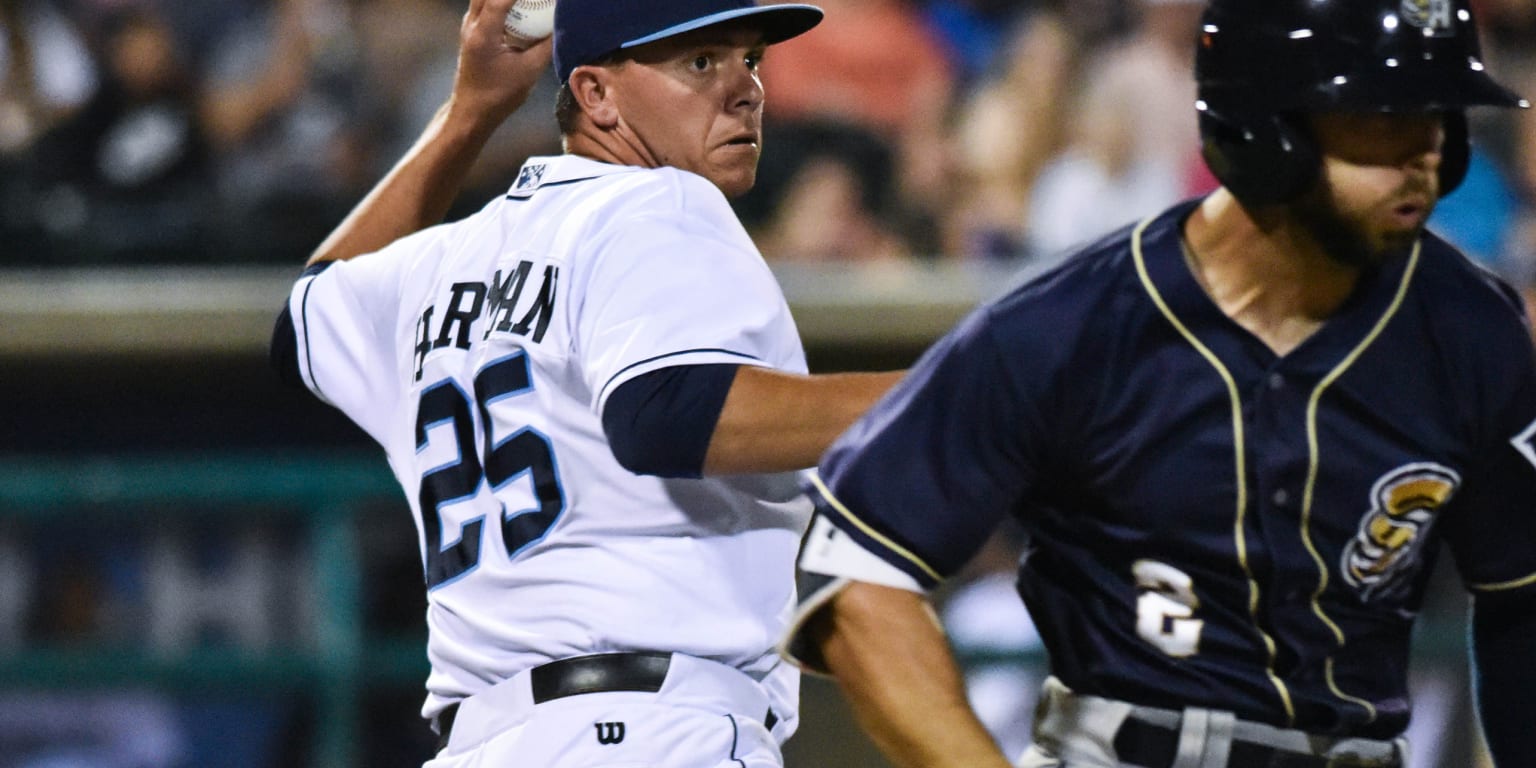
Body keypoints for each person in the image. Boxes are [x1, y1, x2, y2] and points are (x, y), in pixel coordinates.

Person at [779, 1, 1536, 767]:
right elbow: (855, 577)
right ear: (1263, 129)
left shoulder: (1472, 332)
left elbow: (1521, 601)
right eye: (1383, 120)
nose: (1427, 156)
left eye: (1441, 119)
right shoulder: (1073, 325)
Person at [269, 0, 903, 766]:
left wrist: (469, 113)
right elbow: (666, 415)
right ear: (596, 94)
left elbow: (303, 322)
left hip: (483, 743)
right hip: (654, 731)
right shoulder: (657, 200)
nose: (745, 88)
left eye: (750, 59)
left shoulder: (444, 260)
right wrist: (954, 393)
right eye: (701, 61)